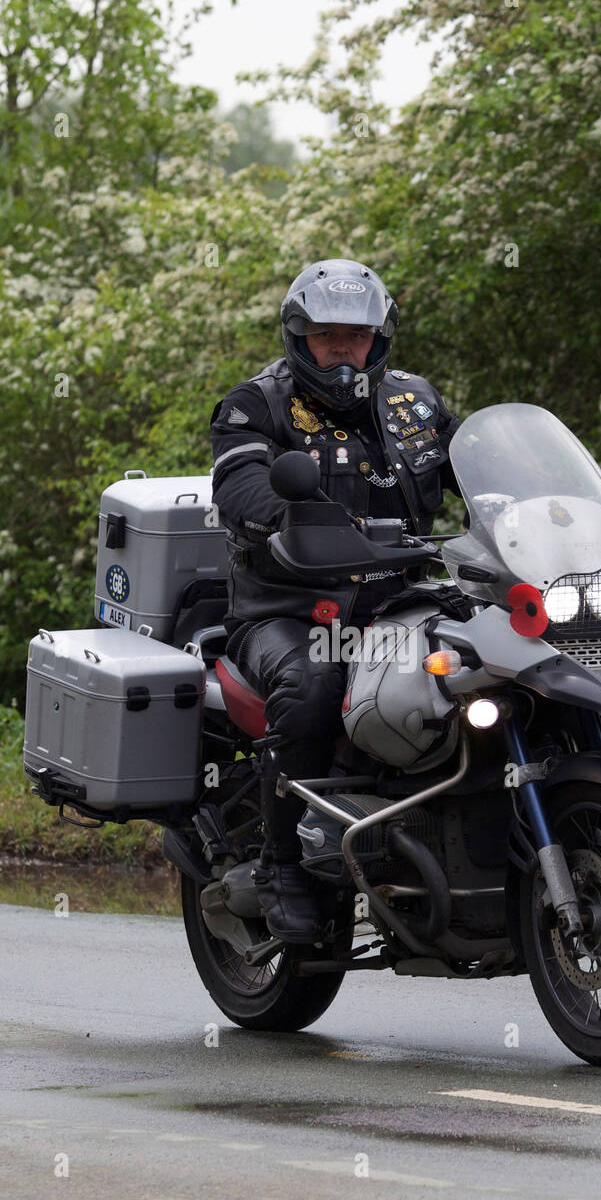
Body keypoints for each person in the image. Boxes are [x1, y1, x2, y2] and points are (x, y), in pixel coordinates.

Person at [209, 257, 461, 943]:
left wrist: (542, 512)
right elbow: (240, 489)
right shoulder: (254, 404)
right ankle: (281, 864)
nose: (344, 348)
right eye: (328, 335)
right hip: (287, 611)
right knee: (314, 682)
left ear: (378, 337)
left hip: (401, 605)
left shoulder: (417, 404)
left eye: (357, 334)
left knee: (493, 666)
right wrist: (297, 521)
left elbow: (481, 472)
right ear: (301, 336)